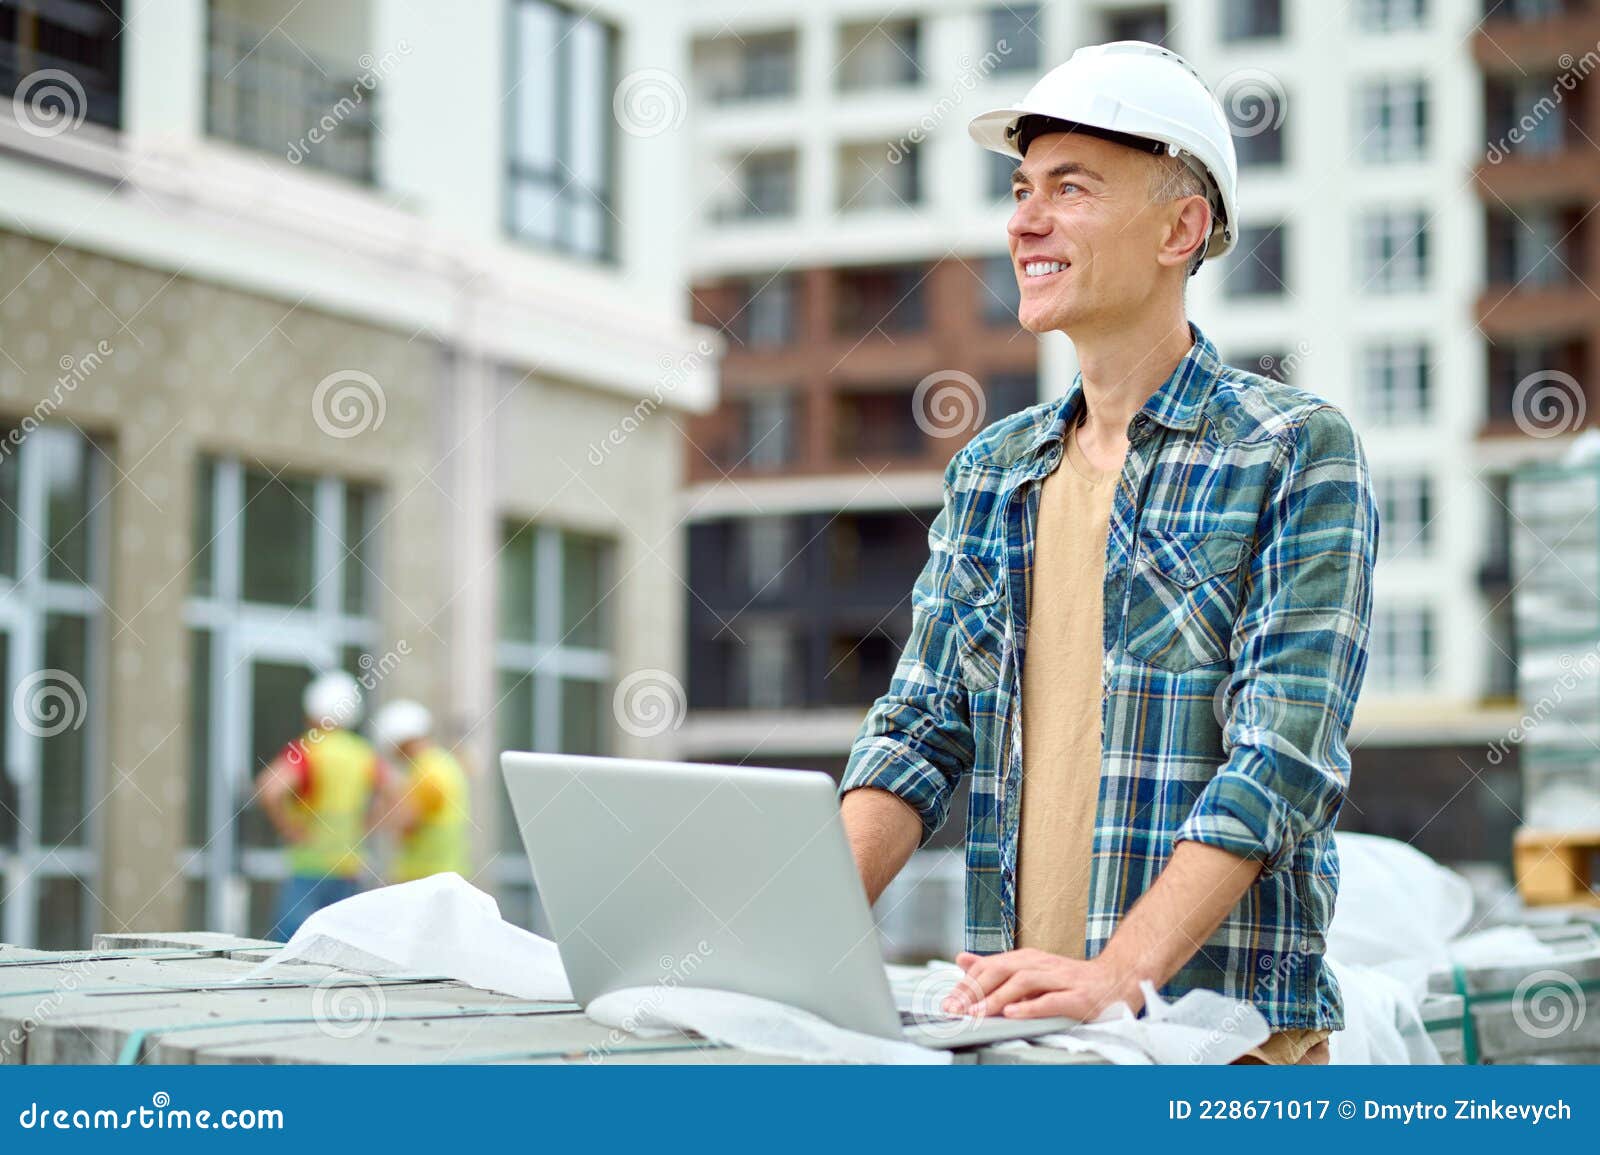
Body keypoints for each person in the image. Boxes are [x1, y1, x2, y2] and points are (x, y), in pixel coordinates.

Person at [837, 42, 1378, 1065]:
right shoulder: (994, 472)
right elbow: (915, 735)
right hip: (1022, 1033)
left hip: (1221, 1047)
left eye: (1070, 189)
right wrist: (786, 944)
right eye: (1020, 189)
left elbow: (1281, 762)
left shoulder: (1293, 451)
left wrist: (1116, 978)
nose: (1024, 222)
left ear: (1182, 227)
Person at [256, 670, 383, 941]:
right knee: (340, 948)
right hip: (348, 868)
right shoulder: (361, 752)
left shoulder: (308, 749)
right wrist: (368, 824)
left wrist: (288, 828)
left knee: (289, 946)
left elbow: (270, 789)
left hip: (309, 866)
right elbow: (395, 793)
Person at [369, 700, 471, 883]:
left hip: (426, 878)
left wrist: (387, 791)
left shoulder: (428, 771)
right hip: (441, 875)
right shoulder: (444, 762)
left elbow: (406, 825)